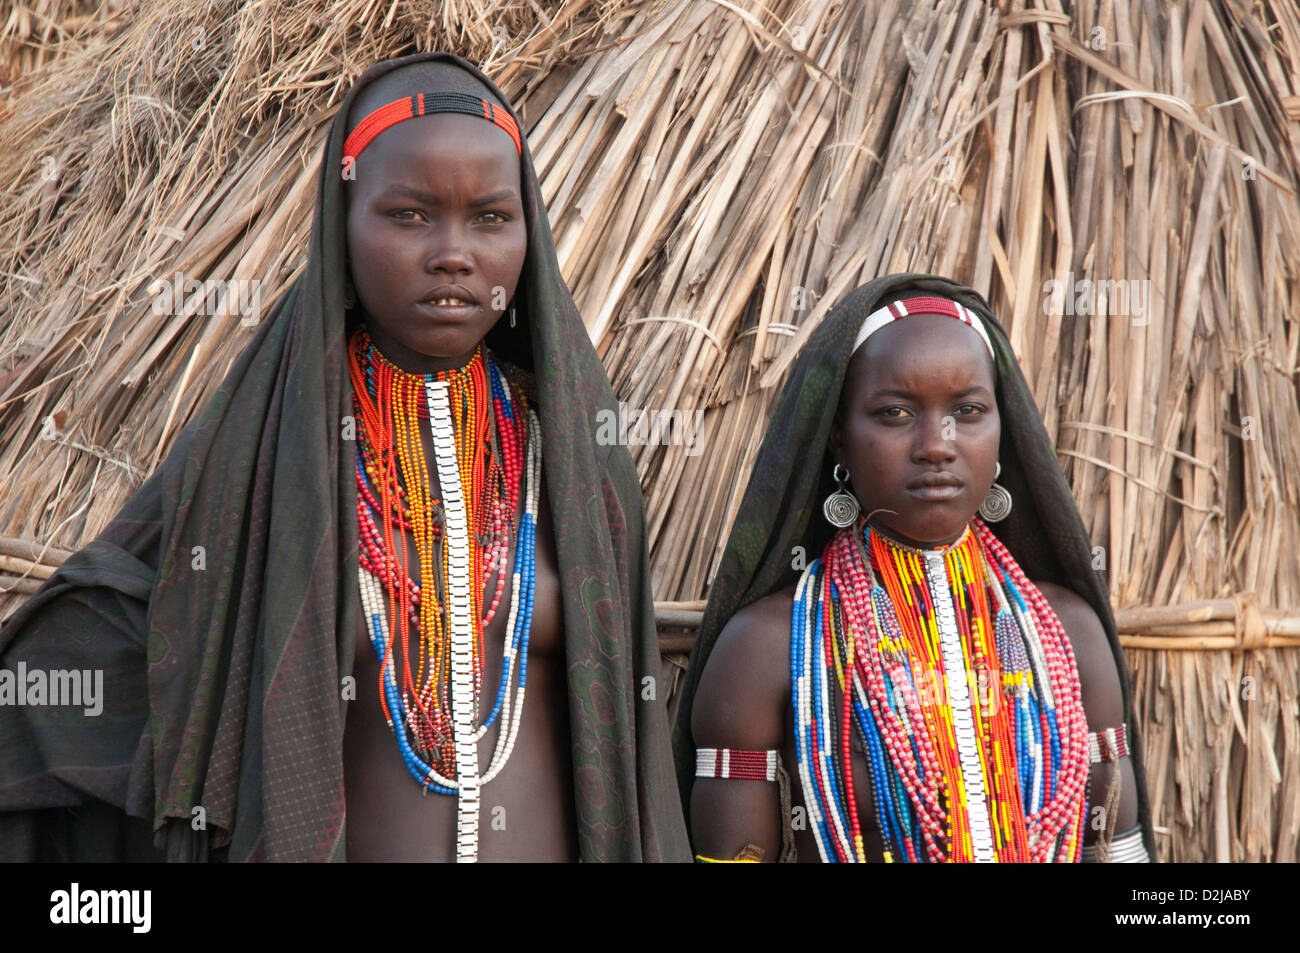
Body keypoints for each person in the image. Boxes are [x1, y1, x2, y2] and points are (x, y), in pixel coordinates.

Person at [0, 52, 689, 863]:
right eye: (408, 215)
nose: (453, 253)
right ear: (344, 226)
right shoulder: (268, 453)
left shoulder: (571, 461)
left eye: (492, 218)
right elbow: (107, 627)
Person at [675, 275, 1154, 863]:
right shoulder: (769, 648)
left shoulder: (1069, 632)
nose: (937, 444)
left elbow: (1120, 852)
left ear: (1003, 430)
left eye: (968, 410)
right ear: (838, 440)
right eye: (896, 412)